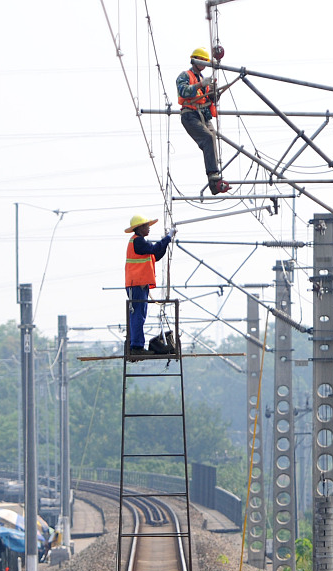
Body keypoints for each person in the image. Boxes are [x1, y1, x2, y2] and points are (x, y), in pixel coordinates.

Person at [177, 48, 231, 195]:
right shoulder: (185, 76)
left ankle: (215, 181)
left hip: (203, 115)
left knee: (212, 139)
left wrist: (213, 92)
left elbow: (208, 99)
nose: (203, 65)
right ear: (194, 60)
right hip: (190, 115)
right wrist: (200, 85)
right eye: (201, 61)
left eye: (205, 62)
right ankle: (213, 175)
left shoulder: (203, 80)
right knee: (207, 137)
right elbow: (183, 91)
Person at [122, 214, 175, 360]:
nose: (149, 228)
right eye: (146, 226)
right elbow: (155, 248)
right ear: (139, 228)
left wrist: (166, 241)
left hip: (140, 285)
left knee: (139, 315)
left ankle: (136, 345)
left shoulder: (141, 244)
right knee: (138, 316)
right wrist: (167, 237)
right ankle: (136, 347)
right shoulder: (138, 241)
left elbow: (156, 253)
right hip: (136, 284)